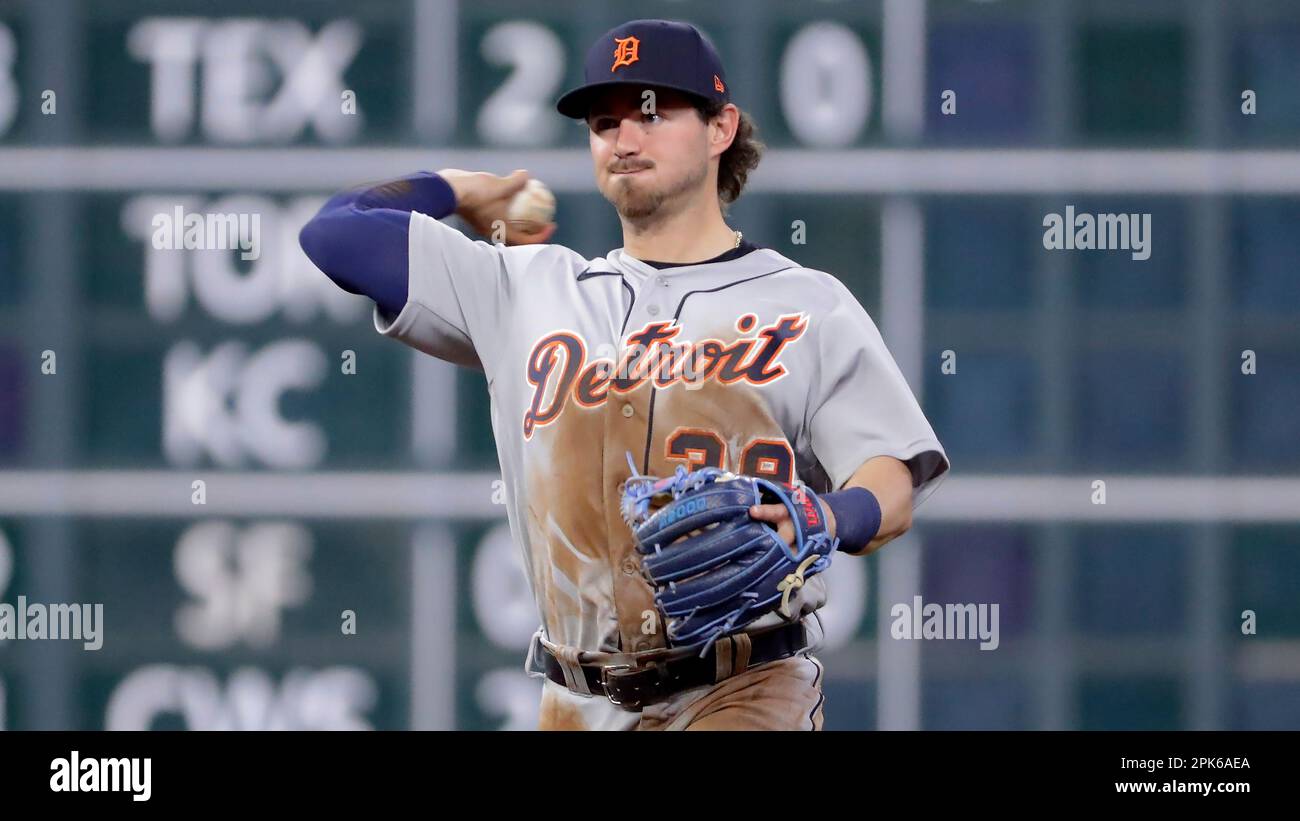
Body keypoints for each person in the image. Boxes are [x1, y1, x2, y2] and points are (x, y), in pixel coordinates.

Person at [299, 18, 948, 730]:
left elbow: (890, 478)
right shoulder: (527, 290)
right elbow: (337, 232)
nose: (622, 138)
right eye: (603, 122)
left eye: (651, 112)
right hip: (576, 698)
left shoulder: (807, 302)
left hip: (744, 686)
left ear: (720, 127)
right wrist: (458, 188)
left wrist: (825, 516)